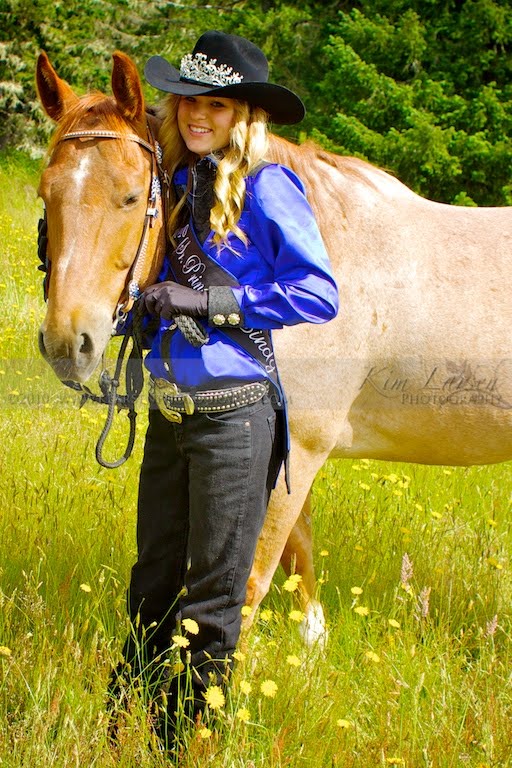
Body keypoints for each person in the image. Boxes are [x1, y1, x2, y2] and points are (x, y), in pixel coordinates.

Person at [108, 29, 339, 748]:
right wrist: (143, 312)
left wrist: (211, 304)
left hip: (235, 420)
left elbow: (318, 292)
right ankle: (128, 717)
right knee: (151, 580)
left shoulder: (270, 187)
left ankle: (187, 740)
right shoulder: (175, 183)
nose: (195, 117)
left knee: (212, 594)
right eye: (187, 104)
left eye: (214, 106)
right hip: (169, 412)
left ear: (243, 114)